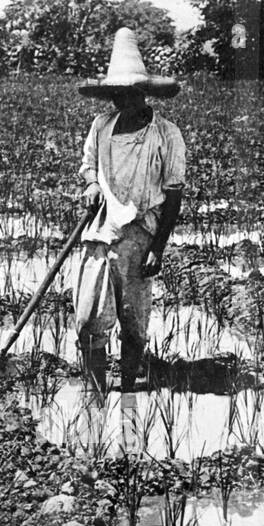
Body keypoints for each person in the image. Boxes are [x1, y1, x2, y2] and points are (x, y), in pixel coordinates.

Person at [74, 28, 185, 394]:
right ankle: (95, 392)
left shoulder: (166, 135)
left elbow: (173, 195)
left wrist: (158, 247)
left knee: (134, 319)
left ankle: (129, 389)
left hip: (140, 234)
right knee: (90, 317)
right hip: (100, 232)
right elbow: (89, 163)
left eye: (129, 92)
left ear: (143, 93)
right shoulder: (101, 126)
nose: (121, 99)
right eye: (116, 93)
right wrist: (92, 183)